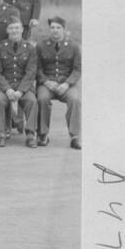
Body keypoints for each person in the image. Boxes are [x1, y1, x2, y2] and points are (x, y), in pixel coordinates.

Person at [35, 15, 81, 149]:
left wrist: (67, 83)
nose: (55, 30)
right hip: (47, 83)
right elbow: (37, 68)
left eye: (58, 28)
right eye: (52, 28)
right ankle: (43, 134)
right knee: (42, 99)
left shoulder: (73, 46)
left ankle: (75, 136)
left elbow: (77, 69)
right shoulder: (41, 46)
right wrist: (46, 81)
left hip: (66, 84)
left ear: (64, 30)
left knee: (75, 100)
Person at [0, 18, 38, 147]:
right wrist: (7, 89)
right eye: (11, 28)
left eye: (17, 28)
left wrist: (20, 91)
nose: (14, 31)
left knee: (31, 101)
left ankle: (30, 134)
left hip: (23, 86)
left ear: (22, 30)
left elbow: (30, 73)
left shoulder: (30, 48)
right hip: (3, 86)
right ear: (7, 30)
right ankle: (1, 133)